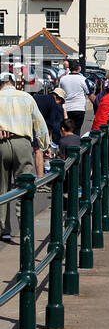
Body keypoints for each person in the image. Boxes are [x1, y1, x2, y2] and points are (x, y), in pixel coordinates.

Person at [0, 70, 50, 241]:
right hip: (23, 142)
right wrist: (44, 145)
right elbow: (40, 123)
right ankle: (25, 228)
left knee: (2, 187)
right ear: (14, 82)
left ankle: (3, 228)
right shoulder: (26, 97)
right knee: (25, 185)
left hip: (2, 144)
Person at [58, 59, 92, 135]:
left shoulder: (63, 79)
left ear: (69, 68)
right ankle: (75, 144)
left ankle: (67, 145)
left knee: (67, 130)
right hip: (79, 108)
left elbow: (59, 94)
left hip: (67, 109)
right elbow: (90, 94)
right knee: (77, 130)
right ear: (79, 68)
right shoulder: (83, 79)